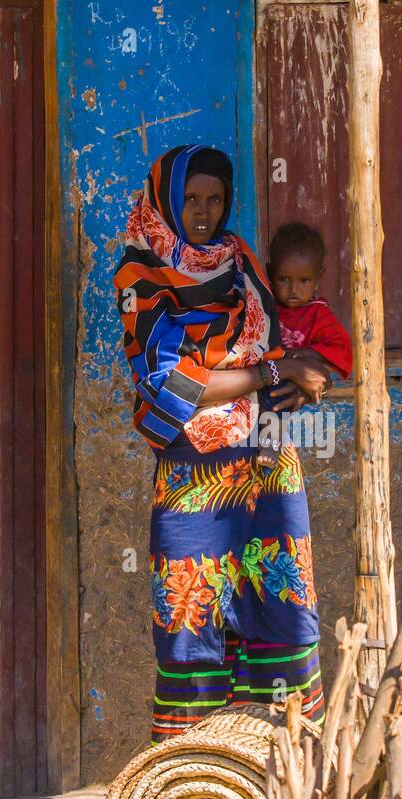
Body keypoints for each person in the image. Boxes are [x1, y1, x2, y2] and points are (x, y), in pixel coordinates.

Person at [113, 144, 333, 743]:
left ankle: (280, 761)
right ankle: (195, 776)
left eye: (214, 199)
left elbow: (281, 347)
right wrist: (273, 374)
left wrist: (299, 375)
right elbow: (168, 386)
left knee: (279, 602)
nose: (204, 211)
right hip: (193, 470)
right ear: (168, 198)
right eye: (191, 198)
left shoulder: (240, 261)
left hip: (265, 457)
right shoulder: (141, 275)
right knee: (191, 610)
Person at [267, 222, 354, 381]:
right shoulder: (263, 305)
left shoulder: (318, 314)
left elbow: (342, 349)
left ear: (318, 277)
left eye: (304, 281)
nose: (294, 289)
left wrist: (302, 354)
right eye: (283, 279)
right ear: (270, 272)